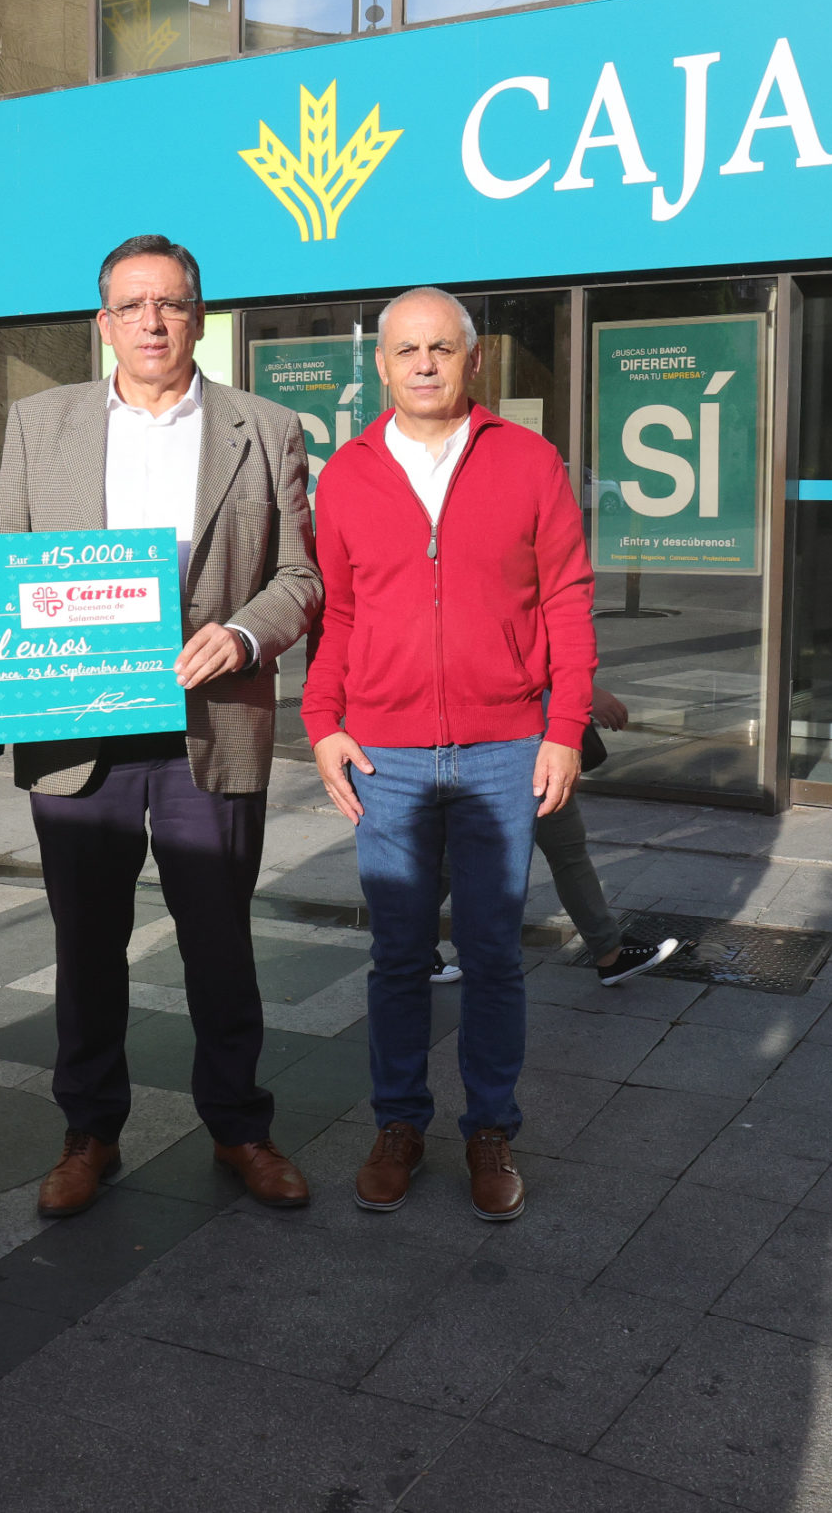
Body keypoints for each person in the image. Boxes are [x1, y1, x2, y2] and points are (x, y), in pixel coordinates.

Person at [0, 235, 322, 1218]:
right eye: (130, 305)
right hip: (79, 729)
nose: (151, 321)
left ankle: (240, 1128)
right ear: (102, 323)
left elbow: (299, 577)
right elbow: (4, 567)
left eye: (170, 304)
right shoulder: (35, 423)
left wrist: (244, 634)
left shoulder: (265, 428)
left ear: (198, 315)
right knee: (85, 946)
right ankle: (88, 1131)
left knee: (219, 944)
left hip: (207, 725)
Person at [307, 286, 596, 1223]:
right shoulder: (345, 474)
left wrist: (563, 728)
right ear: (381, 365)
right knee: (396, 956)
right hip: (384, 751)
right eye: (405, 350)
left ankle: (490, 1129)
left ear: (475, 361)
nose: (424, 363)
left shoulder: (528, 460)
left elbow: (567, 601)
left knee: (493, 954)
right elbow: (338, 611)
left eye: (442, 348)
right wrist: (322, 720)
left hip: (503, 746)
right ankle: (399, 1124)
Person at [430, 683, 681, 988]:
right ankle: (409, 947)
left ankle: (610, 953)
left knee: (567, 851)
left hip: (536, 743)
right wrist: (586, 693)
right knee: (456, 855)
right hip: (499, 745)